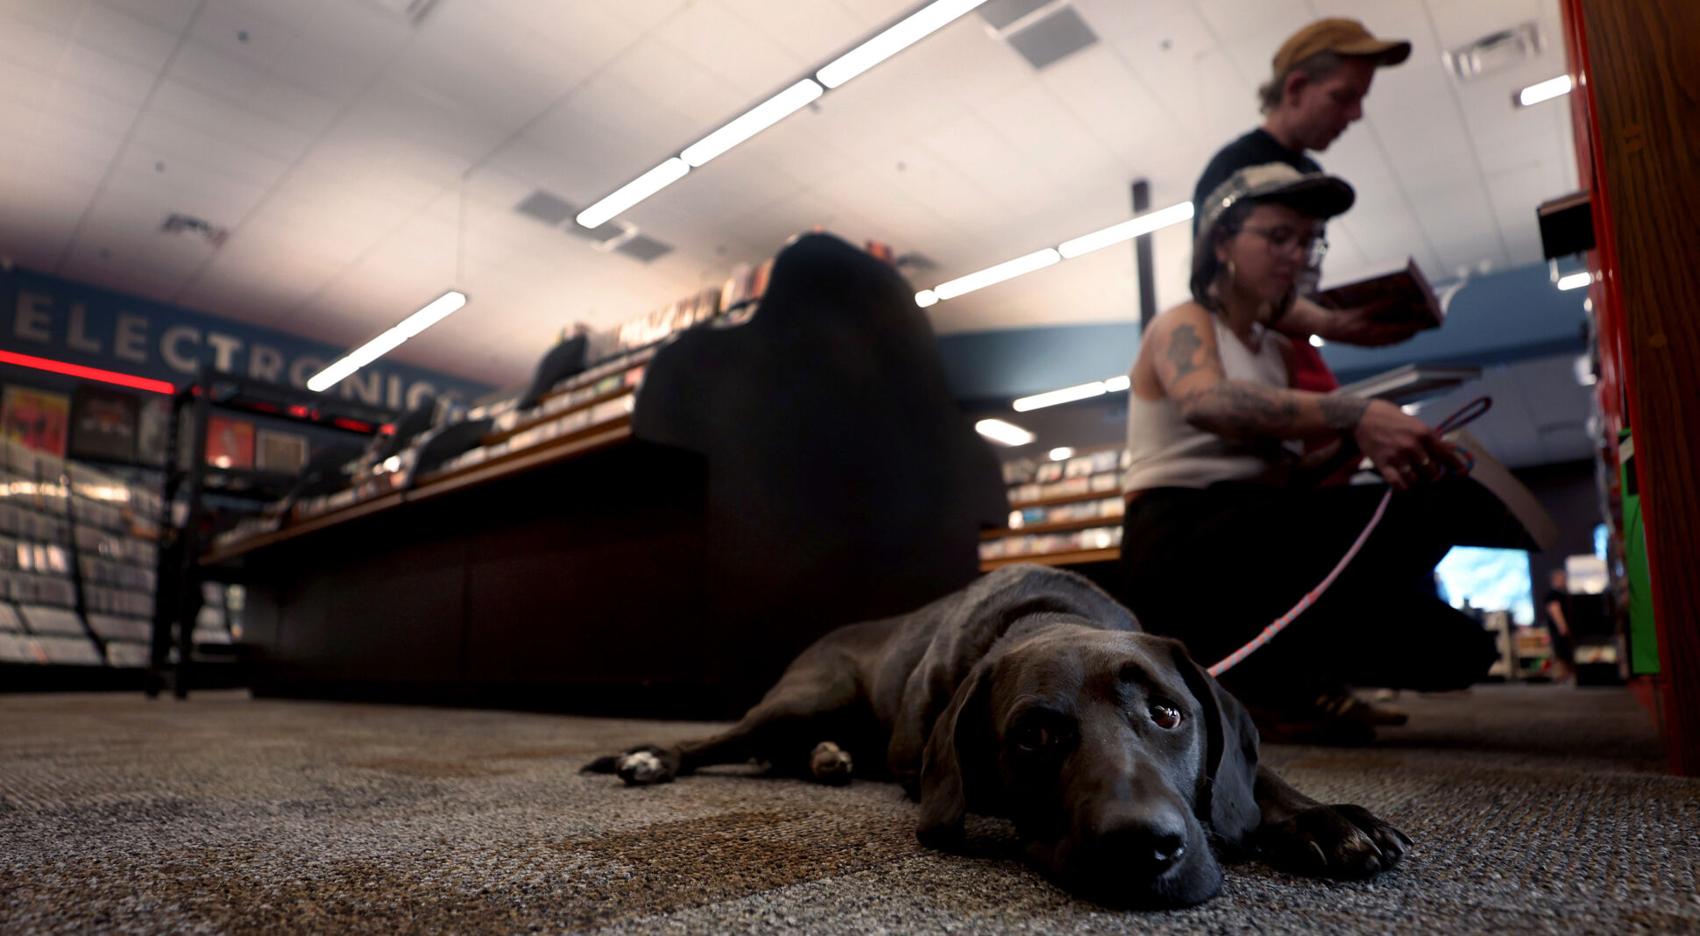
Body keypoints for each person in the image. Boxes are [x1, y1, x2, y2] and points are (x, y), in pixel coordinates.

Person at [1119, 163, 1499, 744]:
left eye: (1309, 240)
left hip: (1255, 525)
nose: (1298, 254)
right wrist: (1353, 413)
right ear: (1222, 243)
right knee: (1424, 514)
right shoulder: (1184, 322)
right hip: (1181, 536)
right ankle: (1264, 685)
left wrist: (1357, 441)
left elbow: (1283, 473)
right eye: (1278, 236)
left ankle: (1286, 678)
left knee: (1461, 650)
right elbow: (1205, 400)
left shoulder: (1274, 350)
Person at [1193, 18, 1424, 368]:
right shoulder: (1234, 169)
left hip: (1293, 354)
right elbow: (1219, 287)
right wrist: (1328, 324)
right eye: (1343, 97)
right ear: (1296, 88)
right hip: (1244, 355)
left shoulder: (1313, 175)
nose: (1356, 114)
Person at [1542, 569, 1575, 682]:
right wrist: (1562, 626)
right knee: (1561, 653)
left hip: (1561, 629)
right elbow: (1555, 610)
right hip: (1559, 630)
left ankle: (1566, 675)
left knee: (1565, 653)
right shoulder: (1553, 595)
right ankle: (1561, 676)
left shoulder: (1562, 594)